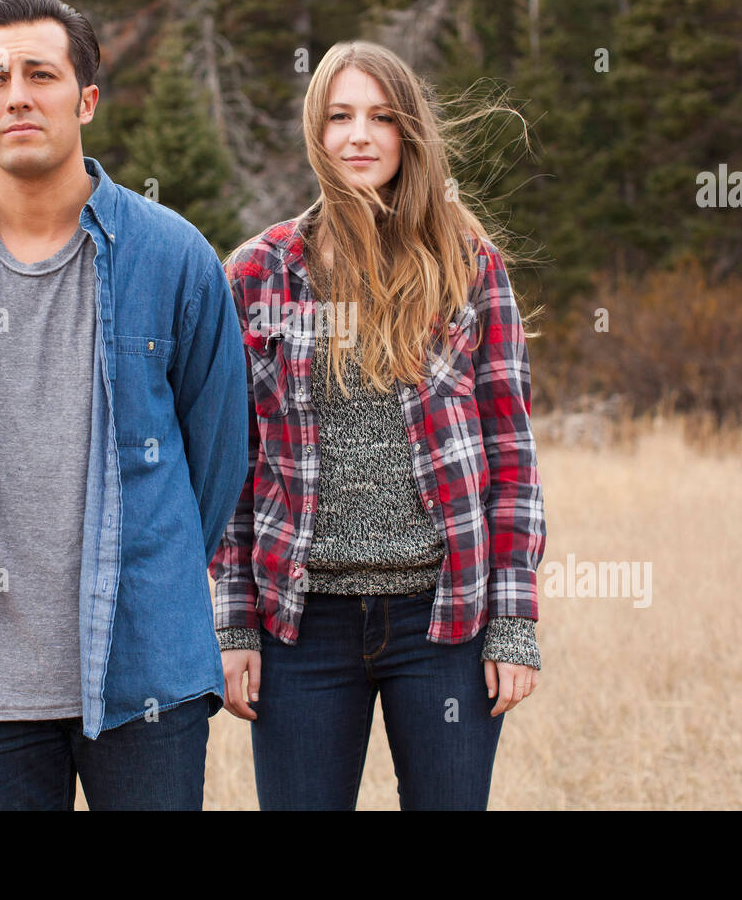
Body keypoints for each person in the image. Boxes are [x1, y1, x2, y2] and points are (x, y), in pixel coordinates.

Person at [0, 0, 247, 810]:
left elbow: (218, 459)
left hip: (146, 676)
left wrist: (153, 571)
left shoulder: (177, 259)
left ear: (87, 100)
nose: (18, 97)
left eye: (41, 74)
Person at [211, 40, 546, 811]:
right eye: (340, 116)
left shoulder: (469, 264)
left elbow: (512, 453)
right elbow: (235, 463)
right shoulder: (259, 273)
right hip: (302, 627)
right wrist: (232, 628)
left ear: (409, 134)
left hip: (443, 621)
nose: (360, 135)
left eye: (381, 117)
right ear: (316, 133)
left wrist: (514, 621)